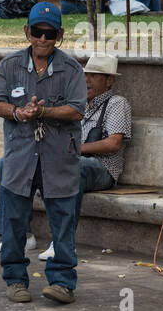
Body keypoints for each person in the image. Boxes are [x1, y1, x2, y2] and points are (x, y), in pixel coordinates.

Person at [0, 2, 87, 304]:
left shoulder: (71, 69)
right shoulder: (9, 65)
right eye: (37, 32)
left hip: (59, 159)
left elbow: (77, 110)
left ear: (60, 35)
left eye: (50, 33)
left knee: (63, 223)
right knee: (14, 223)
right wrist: (19, 113)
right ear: (27, 32)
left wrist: (44, 112)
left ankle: (63, 283)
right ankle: (16, 280)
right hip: (20, 159)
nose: (43, 39)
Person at [37, 54, 132, 260]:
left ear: (109, 80)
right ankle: (21, 236)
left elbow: (113, 143)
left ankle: (62, 243)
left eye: (94, 76)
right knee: (30, 164)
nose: (86, 80)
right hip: (73, 163)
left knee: (73, 168)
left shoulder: (117, 103)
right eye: (85, 75)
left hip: (103, 170)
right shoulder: (77, 104)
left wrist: (76, 150)